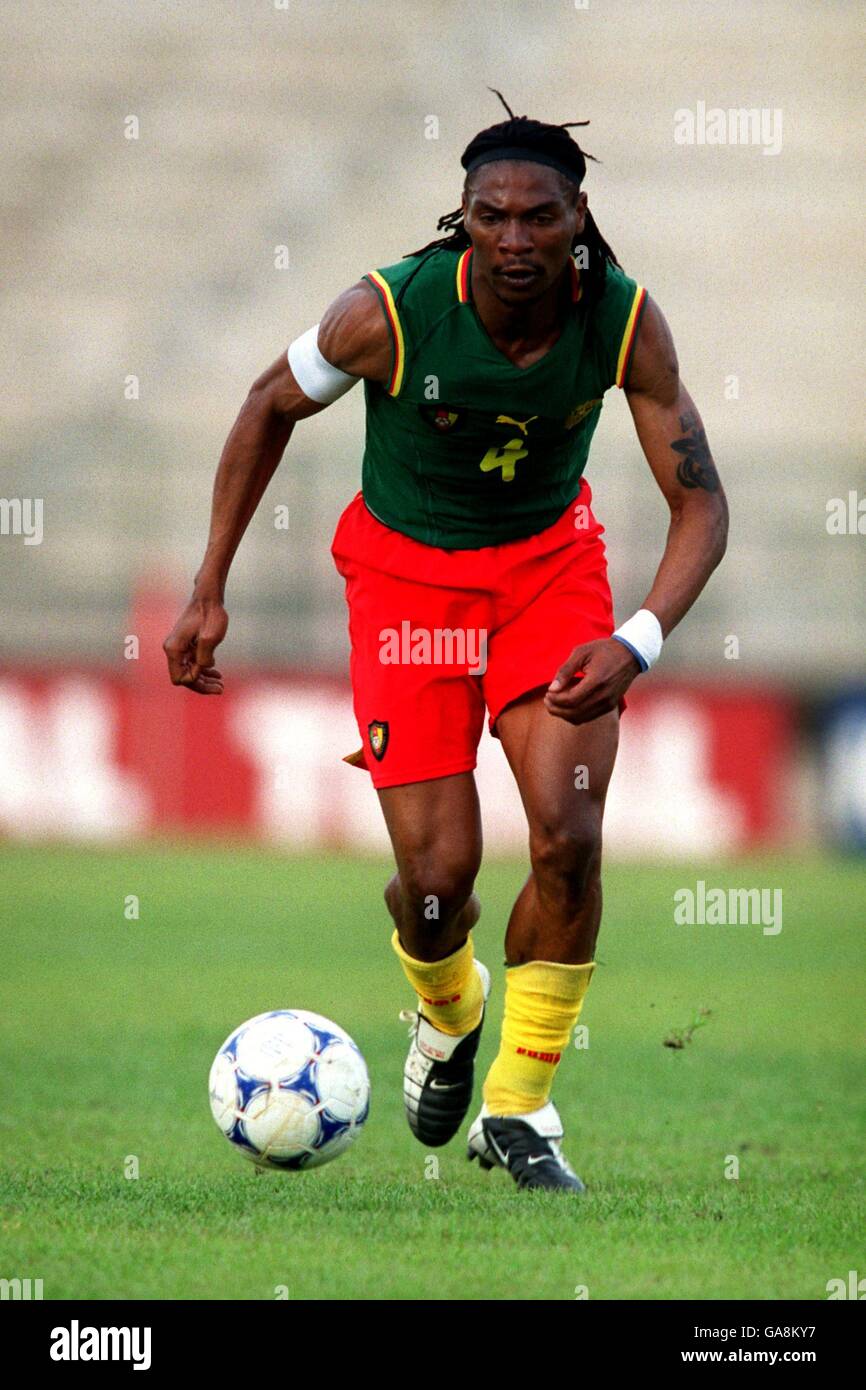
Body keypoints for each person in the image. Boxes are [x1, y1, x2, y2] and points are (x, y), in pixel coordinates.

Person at [163, 93, 728, 1193]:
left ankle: (518, 1110)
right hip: (404, 582)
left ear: (577, 219)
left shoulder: (619, 321)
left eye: (539, 217)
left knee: (566, 833)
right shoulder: (391, 310)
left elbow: (700, 506)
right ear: (461, 218)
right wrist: (207, 586)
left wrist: (639, 638)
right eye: (490, 216)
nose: (514, 239)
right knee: (434, 880)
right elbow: (266, 403)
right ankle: (449, 1008)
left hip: (547, 577)